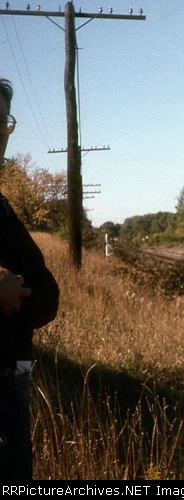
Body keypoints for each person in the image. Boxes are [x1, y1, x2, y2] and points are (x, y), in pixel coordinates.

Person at [0, 78, 60, 480]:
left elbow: (41, 289)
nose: (0, 132)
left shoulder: (0, 204)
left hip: (12, 372)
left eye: (3, 120)